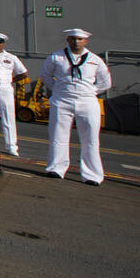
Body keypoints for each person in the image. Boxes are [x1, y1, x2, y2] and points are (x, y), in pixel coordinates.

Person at [39, 28, 112, 185]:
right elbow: (45, 75)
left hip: (87, 101)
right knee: (58, 136)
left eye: (79, 39)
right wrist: (58, 89)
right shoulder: (56, 57)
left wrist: (91, 91)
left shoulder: (95, 60)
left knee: (90, 138)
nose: (76, 42)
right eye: (72, 39)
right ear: (68, 40)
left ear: (86, 41)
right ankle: (56, 169)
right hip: (62, 100)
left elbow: (105, 82)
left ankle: (92, 175)